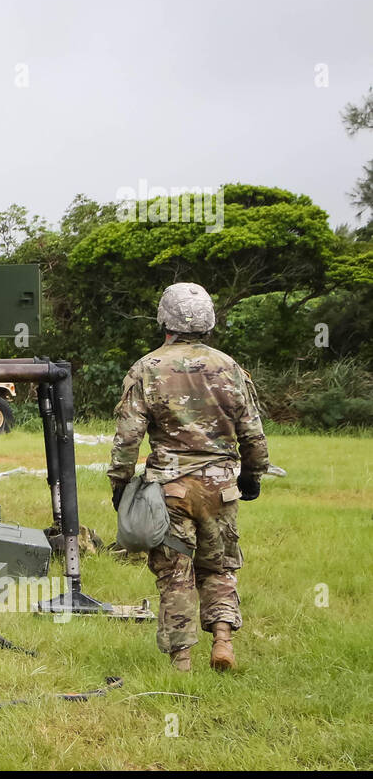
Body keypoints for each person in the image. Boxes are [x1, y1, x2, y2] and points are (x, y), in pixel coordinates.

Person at [107, 282, 270, 673]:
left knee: (175, 572)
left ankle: (182, 662)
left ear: (164, 319)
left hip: (169, 489)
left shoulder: (146, 368)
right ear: (208, 321)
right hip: (220, 488)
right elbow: (253, 435)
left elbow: (127, 439)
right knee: (218, 567)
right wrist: (251, 477)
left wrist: (120, 486)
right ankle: (223, 640)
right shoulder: (230, 368)